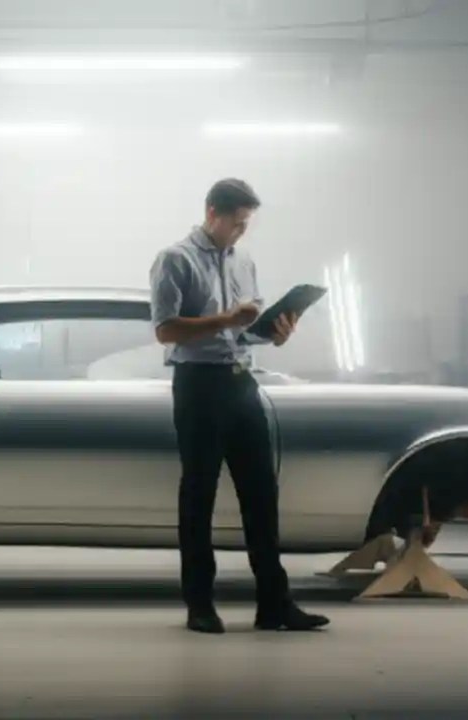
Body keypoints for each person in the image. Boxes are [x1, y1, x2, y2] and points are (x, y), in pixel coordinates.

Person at [149, 178, 330, 634]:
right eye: (237, 222)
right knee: (199, 496)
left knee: (261, 495)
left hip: (240, 383)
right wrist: (226, 320)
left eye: (247, 223)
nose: (241, 231)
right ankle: (200, 605)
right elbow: (166, 330)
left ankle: (274, 604)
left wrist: (275, 332)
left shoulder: (243, 261)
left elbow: (244, 331)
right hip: (199, 385)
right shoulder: (174, 259)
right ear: (212, 212)